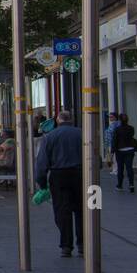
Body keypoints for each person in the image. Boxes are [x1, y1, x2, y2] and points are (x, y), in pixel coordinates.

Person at [34, 110, 84, 256]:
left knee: (62, 211)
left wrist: (41, 182)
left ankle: (66, 246)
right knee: (84, 210)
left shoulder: (50, 136)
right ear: (72, 119)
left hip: (59, 176)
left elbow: (42, 162)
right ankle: (83, 243)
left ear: (57, 120)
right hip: (82, 175)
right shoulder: (82, 133)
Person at [112, 113, 137, 193]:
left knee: (120, 168)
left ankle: (120, 185)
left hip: (120, 150)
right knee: (129, 167)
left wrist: (112, 151)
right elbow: (132, 136)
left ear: (119, 120)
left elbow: (115, 141)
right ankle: (131, 184)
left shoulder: (117, 129)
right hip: (130, 149)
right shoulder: (131, 128)